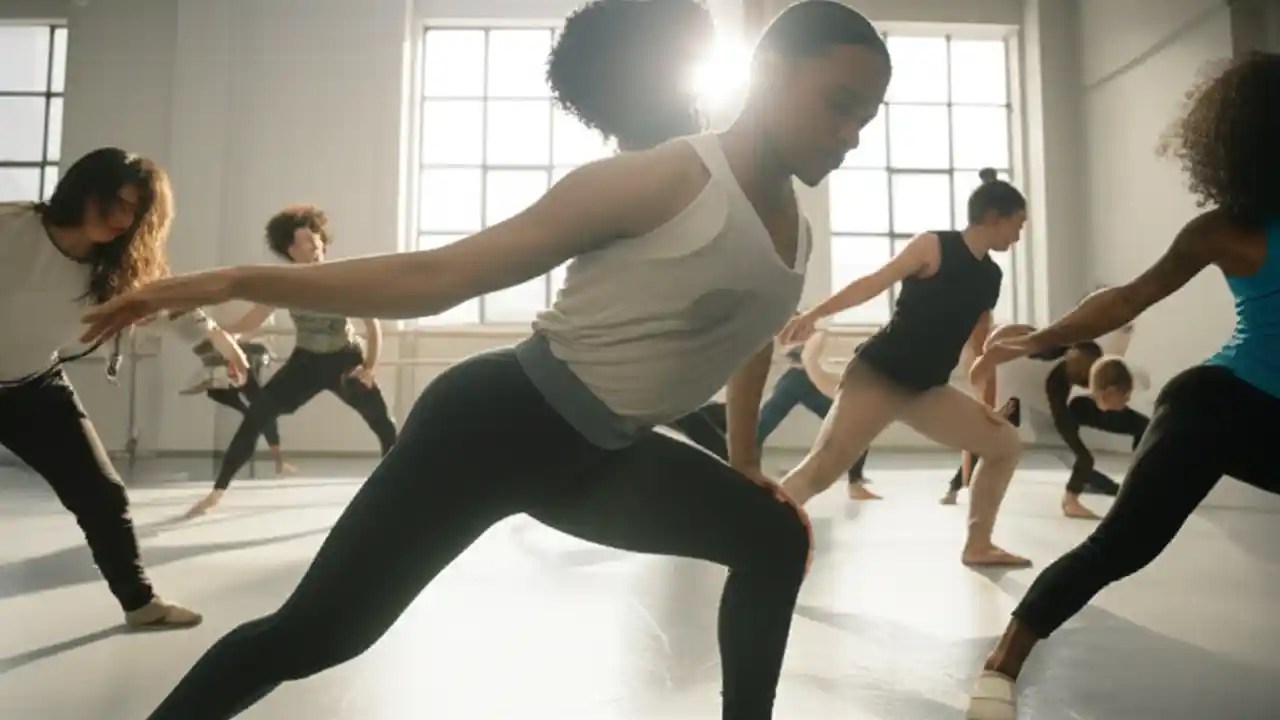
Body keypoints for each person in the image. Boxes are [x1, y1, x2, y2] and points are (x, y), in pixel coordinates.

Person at [79, 2, 894, 718]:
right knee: (319, 634)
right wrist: (230, 278)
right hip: (496, 424)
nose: (851, 135)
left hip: (600, 456)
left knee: (774, 539)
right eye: (838, 105)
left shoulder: (796, 227)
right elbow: (438, 277)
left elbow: (752, 339)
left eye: (866, 117)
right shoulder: (662, 178)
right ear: (769, 73)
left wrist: (746, 463)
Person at [965, 52, 1280, 720]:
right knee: (1122, 546)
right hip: (1220, 405)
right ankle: (1002, 666)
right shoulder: (1226, 230)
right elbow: (1130, 297)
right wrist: (1044, 338)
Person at [777, 168, 1031, 567]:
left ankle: (978, 545)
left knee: (1004, 444)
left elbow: (977, 347)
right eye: (1018, 225)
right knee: (821, 470)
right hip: (877, 376)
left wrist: (984, 405)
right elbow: (874, 282)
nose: (1018, 236)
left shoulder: (990, 276)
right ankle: (755, 534)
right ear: (995, 217)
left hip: (926, 391)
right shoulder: (933, 246)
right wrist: (816, 313)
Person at [0, 148, 201, 628]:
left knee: (102, 493)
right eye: (114, 202)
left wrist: (219, 347)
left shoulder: (115, 269)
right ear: (82, 189)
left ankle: (139, 603)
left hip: (32, 387)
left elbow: (171, 302)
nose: (121, 219)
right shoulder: (13, 225)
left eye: (134, 211)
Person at [183, 205, 397, 517]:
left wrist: (369, 368)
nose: (317, 247)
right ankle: (217, 492)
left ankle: (396, 490)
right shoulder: (284, 285)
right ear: (291, 250)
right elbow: (251, 321)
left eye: (318, 240)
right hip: (306, 363)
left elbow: (373, 326)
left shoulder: (342, 279)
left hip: (344, 360)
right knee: (257, 415)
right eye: (308, 242)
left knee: (382, 422)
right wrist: (216, 332)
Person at [941, 341, 1149, 518]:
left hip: (1065, 404)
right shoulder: (1054, 379)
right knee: (1079, 457)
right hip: (1034, 406)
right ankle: (955, 485)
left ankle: (1128, 484)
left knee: (1141, 427)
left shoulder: (1088, 368)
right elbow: (1063, 429)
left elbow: (1112, 379)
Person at [162, 308, 297, 477]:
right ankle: (276, 457)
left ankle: (277, 458)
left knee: (257, 404)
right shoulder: (204, 337)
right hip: (221, 348)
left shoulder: (223, 348)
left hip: (231, 349)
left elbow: (244, 328)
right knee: (252, 403)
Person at [758, 324, 879, 499]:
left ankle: (856, 482)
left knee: (857, 427)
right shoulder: (789, 340)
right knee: (761, 427)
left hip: (803, 381)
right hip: (795, 381)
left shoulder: (817, 335)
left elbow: (813, 360)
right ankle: (855, 483)